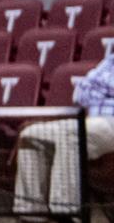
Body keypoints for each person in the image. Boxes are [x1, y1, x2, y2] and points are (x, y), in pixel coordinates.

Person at [12, 47, 114, 217]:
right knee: (31, 134)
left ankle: (66, 212)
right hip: (93, 120)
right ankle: (29, 213)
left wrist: (104, 92)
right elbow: (82, 92)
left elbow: (95, 88)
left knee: (71, 134)